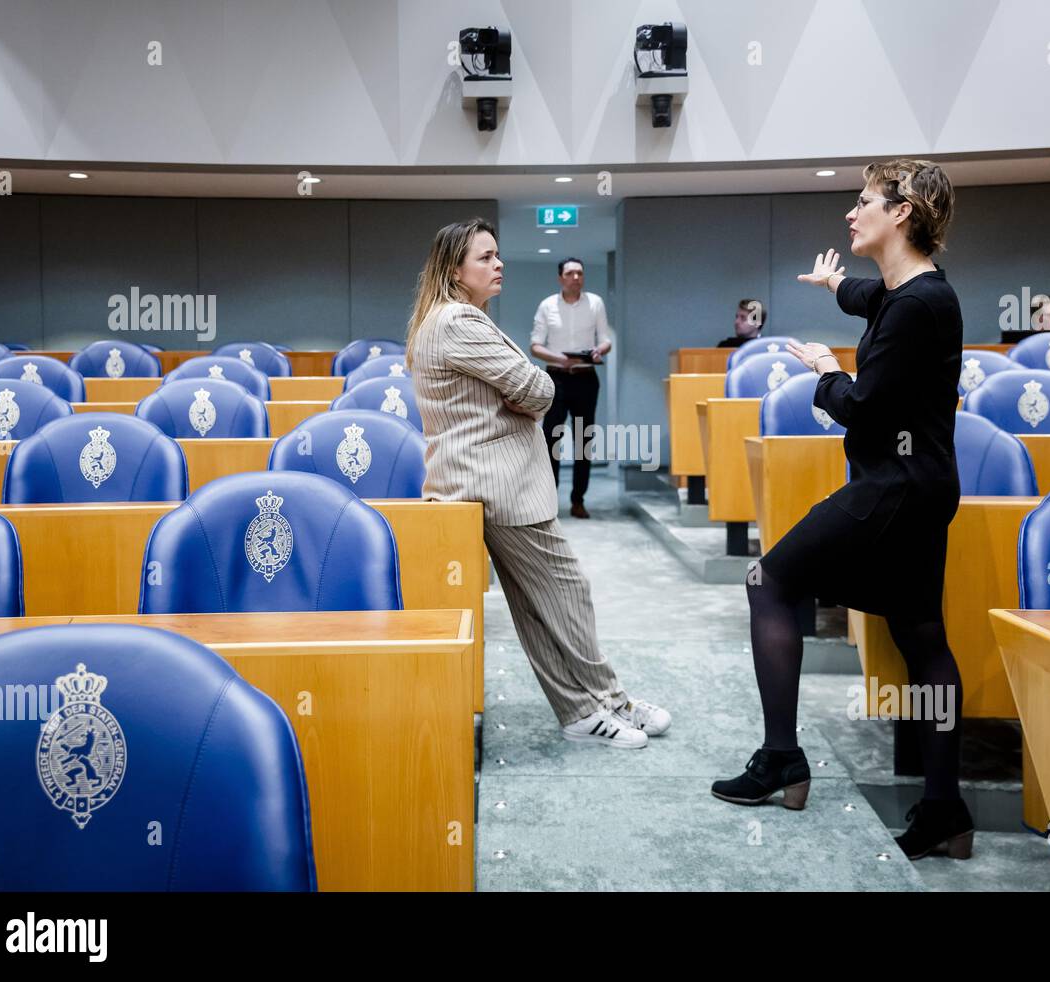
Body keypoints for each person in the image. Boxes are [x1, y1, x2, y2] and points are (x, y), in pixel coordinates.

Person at [710, 160, 973, 861]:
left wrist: (825, 371)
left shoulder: (915, 307)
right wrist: (833, 285)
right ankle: (946, 812)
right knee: (921, 636)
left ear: (903, 213)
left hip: (894, 485)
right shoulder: (911, 292)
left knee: (768, 581)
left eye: (864, 203)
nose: (852, 214)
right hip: (922, 482)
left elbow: (860, 403)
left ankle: (781, 761)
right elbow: (868, 296)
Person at [406, 220, 670, 747]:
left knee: (533, 604)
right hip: (496, 482)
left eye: (497, 255)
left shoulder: (446, 319)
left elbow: (524, 389)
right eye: (485, 258)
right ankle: (613, 701)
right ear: (454, 271)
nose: (498, 264)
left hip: (475, 481)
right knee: (568, 590)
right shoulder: (458, 321)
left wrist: (524, 391)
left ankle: (577, 712)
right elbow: (536, 387)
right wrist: (529, 390)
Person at [531, 257, 611, 519]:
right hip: (556, 379)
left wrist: (599, 351)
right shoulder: (547, 306)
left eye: (580, 273)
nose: (576, 277)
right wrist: (560, 359)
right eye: (570, 273)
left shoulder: (595, 303)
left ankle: (578, 500)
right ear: (560, 278)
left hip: (586, 378)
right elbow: (536, 345)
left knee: (583, 442)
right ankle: (550, 500)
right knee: (551, 439)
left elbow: (605, 340)